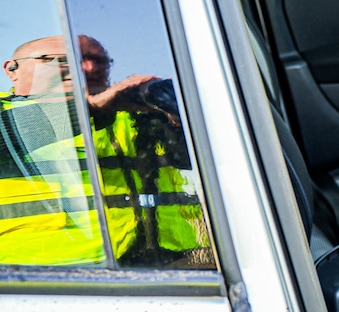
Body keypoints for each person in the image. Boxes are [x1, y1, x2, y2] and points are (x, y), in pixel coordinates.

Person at [0, 34, 209, 267]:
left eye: (101, 62)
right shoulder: (6, 112)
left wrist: (178, 119)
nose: (88, 68)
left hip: (170, 267)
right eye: (62, 60)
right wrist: (91, 107)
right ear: (12, 69)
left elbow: (205, 164)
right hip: (35, 276)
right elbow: (11, 132)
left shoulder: (131, 115)